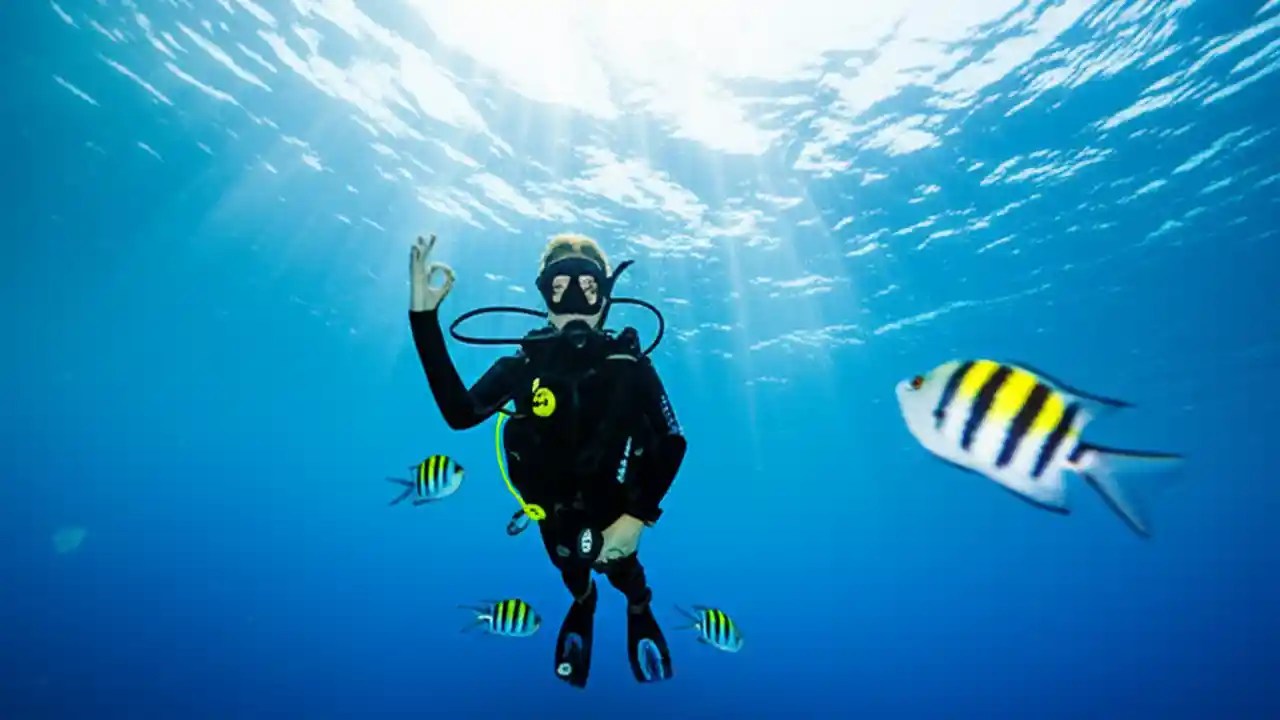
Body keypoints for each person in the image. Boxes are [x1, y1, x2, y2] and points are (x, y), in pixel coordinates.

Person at [407, 232, 687, 688]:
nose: (574, 301)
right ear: (543, 295)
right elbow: (459, 415)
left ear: (606, 296)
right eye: (559, 288)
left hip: (619, 508)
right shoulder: (524, 366)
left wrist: (636, 518)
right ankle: (583, 603)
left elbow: (673, 441)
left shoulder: (628, 364)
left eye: (588, 287)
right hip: (552, 513)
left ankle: (639, 606)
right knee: (572, 573)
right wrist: (422, 317)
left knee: (626, 572)